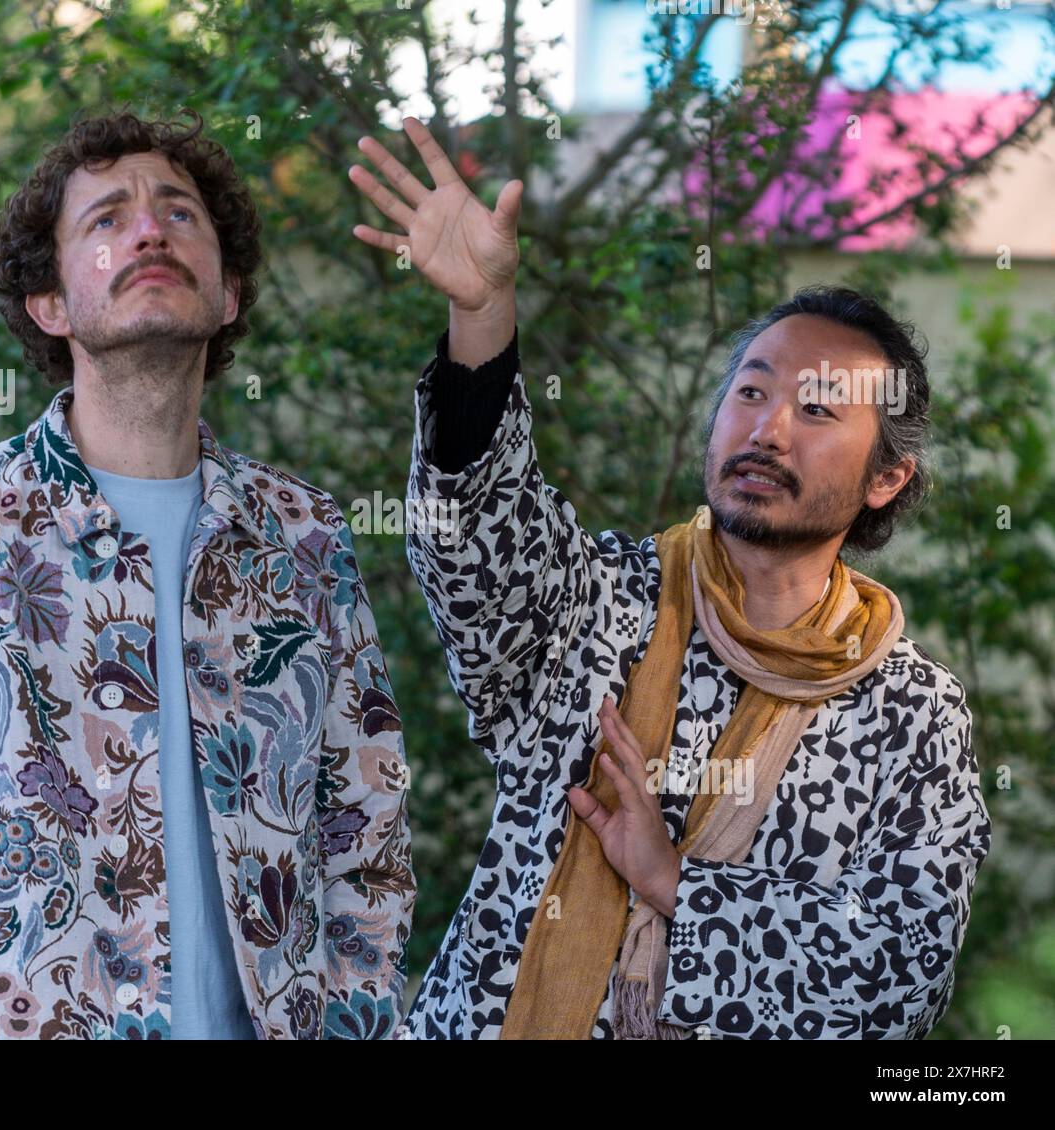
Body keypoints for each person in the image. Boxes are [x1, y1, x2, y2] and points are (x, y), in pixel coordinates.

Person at [349, 117, 989, 1039]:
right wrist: (482, 318)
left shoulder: (912, 713)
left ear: (887, 476)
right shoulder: (605, 598)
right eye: (752, 391)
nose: (768, 430)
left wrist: (674, 881)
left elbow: (895, 988)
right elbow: (472, 543)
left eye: (817, 410)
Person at [0, 111, 414, 1040]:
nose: (148, 230)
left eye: (178, 212)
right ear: (49, 304)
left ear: (230, 291)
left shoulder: (304, 537)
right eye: (105, 219)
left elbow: (366, 833)